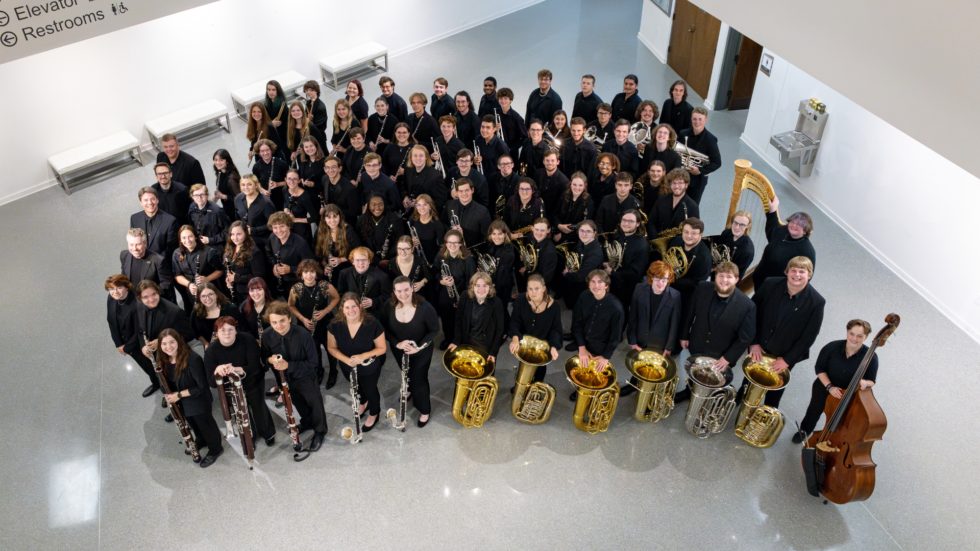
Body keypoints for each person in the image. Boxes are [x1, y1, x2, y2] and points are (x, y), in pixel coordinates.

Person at [740, 256, 825, 408]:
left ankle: (768, 411)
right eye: (793, 270)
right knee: (748, 381)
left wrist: (787, 360)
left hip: (785, 354)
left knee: (774, 393)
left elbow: (809, 336)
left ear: (809, 275)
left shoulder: (816, 302)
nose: (797, 274)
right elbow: (752, 312)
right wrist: (754, 343)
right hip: (759, 345)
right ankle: (741, 398)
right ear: (787, 271)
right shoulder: (770, 284)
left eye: (802, 271)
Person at [675, 262, 756, 403]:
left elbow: (745, 338)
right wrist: (684, 335)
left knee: (712, 382)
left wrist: (728, 358)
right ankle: (690, 392)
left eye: (729, 277)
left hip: (721, 354)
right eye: (721, 275)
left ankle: (708, 400)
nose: (724, 280)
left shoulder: (747, 305)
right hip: (697, 344)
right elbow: (689, 312)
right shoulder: (702, 287)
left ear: (736, 279)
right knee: (695, 371)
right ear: (715, 276)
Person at [795, 319, 878, 443]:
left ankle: (830, 440)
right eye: (851, 333)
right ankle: (804, 431)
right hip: (824, 387)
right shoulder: (831, 347)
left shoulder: (871, 357)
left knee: (840, 419)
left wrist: (866, 383)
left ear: (866, 337)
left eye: (860, 336)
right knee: (814, 411)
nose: (854, 338)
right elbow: (819, 368)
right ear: (847, 332)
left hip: (847, 394)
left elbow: (872, 380)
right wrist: (830, 387)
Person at [263, 300, 328, 451]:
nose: (279, 326)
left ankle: (319, 430)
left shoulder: (303, 334)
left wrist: (289, 366)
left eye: (282, 321)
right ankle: (306, 422)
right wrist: (270, 359)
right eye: (274, 322)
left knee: (314, 403)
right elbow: (264, 356)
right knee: (297, 402)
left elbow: (313, 362)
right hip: (284, 378)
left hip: (305, 377)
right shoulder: (267, 335)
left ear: (289, 319)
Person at [204, 316, 277, 447]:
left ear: (236, 330)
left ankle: (267, 432)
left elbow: (255, 367)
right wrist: (217, 372)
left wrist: (235, 369)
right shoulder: (211, 352)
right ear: (216, 333)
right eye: (223, 330)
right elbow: (212, 383)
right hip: (231, 388)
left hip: (253, 381)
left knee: (259, 406)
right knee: (242, 412)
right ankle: (250, 436)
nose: (227, 333)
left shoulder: (247, 339)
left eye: (230, 329)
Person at [157, 328, 224, 467]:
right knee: (193, 424)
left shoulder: (192, 359)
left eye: (171, 342)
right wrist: (167, 394)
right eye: (164, 344)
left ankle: (216, 449)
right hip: (181, 401)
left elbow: (201, 387)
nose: (168, 347)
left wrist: (178, 395)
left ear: (178, 342)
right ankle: (201, 439)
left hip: (197, 400)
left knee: (206, 425)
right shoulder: (163, 359)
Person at [380, 276, 441, 427]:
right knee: (405, 372)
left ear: (412, 287)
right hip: (400, 349)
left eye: (406, 289)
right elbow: (384, 328)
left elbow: (434, 330)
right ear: (394, 291)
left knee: (419, 379)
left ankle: (424, 410)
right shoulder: (389, 305)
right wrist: (397, 343)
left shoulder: (425, 307)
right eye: (399, 291)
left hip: (421, 350)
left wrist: (418, 347)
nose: (403, 294)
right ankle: (409, 389)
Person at [328, 292, 388, 433]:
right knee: (357, 388)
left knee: (370, 389)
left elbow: (382, 348)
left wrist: (363, 356)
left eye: (354, 306)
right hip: (347, 364)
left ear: (360, 306)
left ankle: (374, 413)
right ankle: (364, 402)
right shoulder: (335, 324)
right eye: (347, 307)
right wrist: (346, 360)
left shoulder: (373, 323)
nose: (351, 310)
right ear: (342, 309)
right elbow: (331, 347)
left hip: (369, 365)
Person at [622, 261, 682, 397]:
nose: (661, 282)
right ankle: (633, 383)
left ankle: (650, 392)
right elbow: (633, 317)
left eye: (664, 279)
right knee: (638, 363)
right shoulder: (639, 289)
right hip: (641, 337)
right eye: (657, 278)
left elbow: (674, 323)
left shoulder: (675, 296)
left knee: (653, 369)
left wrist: (669, 346)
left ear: (669, 279)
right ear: (651, 277)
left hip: (660, 342)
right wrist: (632, 340)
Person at [567, 270, 625, 400]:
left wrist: (605, 357)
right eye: (592, 281)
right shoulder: (584, 296)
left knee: (595, 373)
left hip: (601, 345)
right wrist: (581, 347)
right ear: (588, 284)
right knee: (582, 369)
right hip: (584, 342)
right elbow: (576, 324)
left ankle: (592, 392)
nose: (596, 285)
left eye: (600, 282)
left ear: (606, 285)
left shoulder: (616, 307)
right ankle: (581, 390)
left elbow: (615, 337)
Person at [106, 274, 159, 397]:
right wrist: (119, 344)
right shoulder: (111, 298)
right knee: (146, 367)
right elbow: (111, 321)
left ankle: (165, 388)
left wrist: (127, 348)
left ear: (127, 287)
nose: (115, 292)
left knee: (155, 366)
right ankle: (156, 383)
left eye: (119, 288)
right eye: (111, 289)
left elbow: (140, 331)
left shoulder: (137, 304)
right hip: (127, 345)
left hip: (139, 344)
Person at [135, 280, 195, 389]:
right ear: (140, 298)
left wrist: (162, 341)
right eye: (146, 297)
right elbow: (140, 329)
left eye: (154, 294)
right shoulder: (139, 307)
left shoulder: (174, 312)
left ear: (158, 292)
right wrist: (143, 345)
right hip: (157, 355)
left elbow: (190, 333)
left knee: (175, 378)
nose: (151, 299)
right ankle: (165, 389)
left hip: (174, 355)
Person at [289, 259, 340, 385]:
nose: (309, 275)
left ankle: (333, 371)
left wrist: (326, 310)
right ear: (301, 274)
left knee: (330, 348)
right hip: (307, 323)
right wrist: (302, 319)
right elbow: (291, 306)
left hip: (325, 323)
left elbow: (336, 297)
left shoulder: (324, 285)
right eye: (305, 272)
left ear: (317, 273)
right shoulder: (296, 289)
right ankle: (319, 369)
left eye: (312, 272)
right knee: (314, 348)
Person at [508, 274, 562, 386]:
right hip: (524, 343)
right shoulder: (521, 299)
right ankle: (521, 386)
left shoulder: (554, 307)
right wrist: (515, 337)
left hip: (542, 345)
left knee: (540, 371)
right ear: (527, 289)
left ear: (543, 288)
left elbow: (556, 329)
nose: (533, 292)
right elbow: (515, 321)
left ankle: (536, 386)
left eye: (537, 288)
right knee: (522, 368)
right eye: (530, 289)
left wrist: (554, 345)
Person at [753, 195, 817, 290]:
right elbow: (772, 230)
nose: (794, 225)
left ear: (805, 230)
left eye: (799, 224)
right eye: (793, 221)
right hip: (760, 277)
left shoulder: (807, 250)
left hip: (775, 288)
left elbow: (806, 275)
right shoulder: (784, 230)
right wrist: (773, 210)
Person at [604, 209, 650, 321]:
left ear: (638, 224)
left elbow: (635, 274)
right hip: (613, 280)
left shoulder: (642, 245)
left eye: (630, 221)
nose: (626, 223)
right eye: (624, 220)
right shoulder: (618, 235)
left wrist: (612, 272)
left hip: (626, 287)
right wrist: (608, 262)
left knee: (620, 311)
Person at [435, 229, 477, 349]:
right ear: (446, 243)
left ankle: (460, 341)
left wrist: (461, 300)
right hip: (445, 293)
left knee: (460, 319)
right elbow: (435, 272)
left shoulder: (468, 259)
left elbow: (471, 281)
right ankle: (448, 339)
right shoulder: (441, 255)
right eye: (449, 242)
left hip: (462, 293)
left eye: (455, 243)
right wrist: (441, 280)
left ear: (460, 244)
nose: (452, 245)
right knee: (446, 319)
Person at [450, 272, 506, 361]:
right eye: (477, 285)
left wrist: (493, 352)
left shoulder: (497, 302)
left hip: (485, 344)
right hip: (466, 340)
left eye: (485, 285)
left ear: (490, 287)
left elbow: (500, 329)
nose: (481, 289)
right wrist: (456, 341)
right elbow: (458, 320)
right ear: (472, 287)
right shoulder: (465, 296)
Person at [172, 225, 223, 314]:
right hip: (191, 293)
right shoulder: (176, 253)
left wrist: (207, 278)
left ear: (196, 236)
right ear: (180, 239)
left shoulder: (209, 252)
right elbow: (177, 275)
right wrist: (189, 284)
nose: (187, 240)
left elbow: (221, 270)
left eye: (190, 236)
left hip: (210, 291)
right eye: (183, 238)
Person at [676, 107, 721, 204]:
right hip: (681, 176)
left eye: (700, 119)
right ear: (691, 119)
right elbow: (678, 153)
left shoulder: (711, 140)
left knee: (691, 205)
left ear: (705, 120)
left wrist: (699, 171)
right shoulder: (683, 133)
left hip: (697, 182)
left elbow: (717, 162)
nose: (697, 122)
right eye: (694, 119)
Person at [664, 217, 712, 307]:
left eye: (693, 233)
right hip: (666, 288)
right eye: (686, 232)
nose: (688, 236)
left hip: (684, 298)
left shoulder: (704, 257)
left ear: (700, 235)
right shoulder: (676, 241)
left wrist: (669, 279)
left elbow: (696, 283)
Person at [268, 211, 315, 297]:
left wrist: (291, 269)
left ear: (289, 226)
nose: (278, 231)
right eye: (275, 227)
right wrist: (274, 264)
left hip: (299, 285)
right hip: (282, 284)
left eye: (282, 226)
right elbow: (269, 254)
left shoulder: (300, 244)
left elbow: (311, 266)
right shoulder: (272, 237)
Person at [121, 228, 174, 302]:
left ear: (145, 243)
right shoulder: (124, 255)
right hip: (132, 302)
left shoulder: (158, 260)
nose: (134, 248)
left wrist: (149, 296)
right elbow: (123, 277)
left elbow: (167, 284)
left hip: (151, 303)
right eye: (131, 244)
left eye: (138, 244)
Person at [560, 221, 604, 308]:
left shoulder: (595, 253)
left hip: (585, 286)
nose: (584, 234)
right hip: (579, 278)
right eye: (581, 230)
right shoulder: (582, 242)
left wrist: (567, 274)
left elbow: (581, 277)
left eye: (588, 231)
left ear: (594, 233)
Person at [337, 247, 393, 315]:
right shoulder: (344, 274)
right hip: (351, 314)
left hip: (373, 315)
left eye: (364, 260)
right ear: (353, 261)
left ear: (369, 261)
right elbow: (340, 295)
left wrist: (374, 302)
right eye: (357, 260)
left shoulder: (382, 276)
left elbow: (389, 298)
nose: (361, 263)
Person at [131, 186, 180, 264]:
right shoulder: (134, 218)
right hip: (140, 263)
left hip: (161, 265)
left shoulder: (170, 221)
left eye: (153, 199)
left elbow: (170, 250)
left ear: (157, 200)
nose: (150, 203)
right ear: (141, 202)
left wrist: (153, 263)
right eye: (146, 200)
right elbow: (133, 242)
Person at [315, 204, 360, 288]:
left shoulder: (348, 231)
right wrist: (325, 265)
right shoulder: (320, 230)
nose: (332, 220)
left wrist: (340, 260)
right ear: (324, 219)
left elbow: (358, 251)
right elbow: (318, 253)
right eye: (328, 217)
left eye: (335, 216)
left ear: (340, 216)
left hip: (346, 264)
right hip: (328, 265)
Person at [647, 168, 700, 237]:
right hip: (657, 241)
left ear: (686, 185)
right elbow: (651, 222)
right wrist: (656, 240)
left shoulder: (693, 206)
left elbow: (693, 231)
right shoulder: (661, 199)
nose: (676, 186)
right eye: (673, 183)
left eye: (680, 183)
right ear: (670, 184)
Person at [356, 195, 404, 270]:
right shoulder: (362, 220)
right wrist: (376, 261)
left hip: (391, 260)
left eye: (380, 204)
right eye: (373, 204)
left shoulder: (394, 219)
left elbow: (399, 241)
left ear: (384, 204)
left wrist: (386, 260)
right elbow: (360, 243)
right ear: (368, 206)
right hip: (369, 261)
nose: (377, 208)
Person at [482, 220, 516, 324]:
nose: (497, 237)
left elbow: (501, 275)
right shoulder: (491, 245)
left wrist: (490, 288)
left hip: (502, 286)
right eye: (494, 234)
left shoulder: (508, 252)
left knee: (501, 309)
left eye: (500, 234)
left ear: (505, 234)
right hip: (494, 282)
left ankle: (505, 330)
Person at [223, 221, 266, 303]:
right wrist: (228, 279)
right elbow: (229, 270)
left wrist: (236, 278)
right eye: (232, 234)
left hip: (249, 294)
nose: (235, 238)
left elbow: (259, 278)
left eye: (239, 234)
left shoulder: (254, 252)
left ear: (246, 234)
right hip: (235, 293)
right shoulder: (230, 249)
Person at [442, 178, 491, 248]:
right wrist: (451, 231)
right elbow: (443, 223)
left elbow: (486, 237)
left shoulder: (482, 211)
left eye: (467, 190)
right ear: (456, 192)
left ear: (472, 190)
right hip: (452, 248)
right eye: (460, 191)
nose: (464, 194)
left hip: (471, 251)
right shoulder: (449, 205)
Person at [234, 174, 276, 255]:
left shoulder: (266, 203)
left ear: (256, 185)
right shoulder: (238, 199)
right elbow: (237, 217)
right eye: (243, 184)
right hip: (245, 240)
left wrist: (253, 230)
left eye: (249, 184)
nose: (245, 187)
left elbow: (273, 225)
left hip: (262, 242)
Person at [190, 282, 242, 347]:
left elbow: (241, 328)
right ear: (199, 298)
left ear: (216, 294)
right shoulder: (196, 312)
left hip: (232, 344)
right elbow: (195, 331)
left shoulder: (231, 309)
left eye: (210, 294)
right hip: (211, 346)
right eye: (203, 296)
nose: (207, 298)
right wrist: (206, 343)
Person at [706, 210, 754, 279]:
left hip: (728, 281)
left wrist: (717, 270)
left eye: (742, 225)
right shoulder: (726, 233)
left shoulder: (747, 250)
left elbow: (737, 275)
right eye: (735, 223)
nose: (737, 227)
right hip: (715, 274)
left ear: (748, 225)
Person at [550, 171, 594, 245]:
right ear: (570, 184)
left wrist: (563, 235)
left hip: (575, 239)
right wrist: (559, 225)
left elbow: (584, 226)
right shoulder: (564, 195)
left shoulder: (589, 202)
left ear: (585, 186)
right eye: (574, 184)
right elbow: (555, 214)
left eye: (580, 185)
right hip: (558, 232)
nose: (577, 188)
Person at [515, 218, 558, 292]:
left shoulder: (549, 252)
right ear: (532, 228)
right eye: (536, 229)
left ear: (548, 230)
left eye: (542, 230)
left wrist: (525, 272)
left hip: (539, 287)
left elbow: (545, 277)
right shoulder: (533, 239)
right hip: (530, 278)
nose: (538, 233)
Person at [388, 235, 433, 301]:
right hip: (399, 298)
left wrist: (421, 283)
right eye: (399, 248)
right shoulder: (391, 263)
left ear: (412, 249)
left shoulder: (419, 261)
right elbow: (389, 282)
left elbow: (429, 276)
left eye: (406, 249)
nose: (403, 252)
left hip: (417, 297)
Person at [403, 145, 445, 212]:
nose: (418, 158)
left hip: (427, 214)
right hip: (410, 212)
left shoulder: (435, 176)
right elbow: (404, 185)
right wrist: (405, 196)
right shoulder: (408, 170)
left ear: (426, 157)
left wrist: (419, 205)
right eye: (415, 155)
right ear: (411, 157)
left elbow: (441, 201)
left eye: (421, 155)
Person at [321, 156, 361, 227]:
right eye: (327, 167)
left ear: (340, 168)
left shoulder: (350, 189)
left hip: (345, 225)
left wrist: (333, 213)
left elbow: (354, 212)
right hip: (330, 223)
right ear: (324, 169)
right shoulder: (325, 180)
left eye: (333, 167)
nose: (330, 170)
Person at [151, 162, 191, 227]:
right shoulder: (153, 190)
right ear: (156, 176)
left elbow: (191, 210)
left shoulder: (182, 190)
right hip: (163, 227)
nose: (163, 176)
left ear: (171, 174)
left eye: (166, 173)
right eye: (159, 174)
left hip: (181, 227)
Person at [252, 139, 289, 210]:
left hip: (282, 197)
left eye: (267, 150)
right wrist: (262, 190)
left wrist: (277, 184)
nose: (265, 153)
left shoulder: (282, 164)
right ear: (259, 153)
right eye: (262, 151)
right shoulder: (256, 166)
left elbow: (291, 181)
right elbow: (255, 183)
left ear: (271, 150)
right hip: (267, 198)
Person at [407, 194, 444, 265]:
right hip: (415, 258)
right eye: (418, 205)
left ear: (430, 206)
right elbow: (407, 238)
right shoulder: (412, 220)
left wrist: (436, 263)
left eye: (425, 205)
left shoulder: (437, 223)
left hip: (431, 260)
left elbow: (442, 246)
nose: (421, 208)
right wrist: (411, 242)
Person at [534, 149, 569, 214]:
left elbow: (561, 206)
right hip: (536, 212)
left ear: (558, 162)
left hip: (551, 216)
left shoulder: (564, 182)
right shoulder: (538, 173)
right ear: (543, 161)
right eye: (547, 160)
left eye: (552, 160)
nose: (550, 163)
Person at [211, 149, 241, 222]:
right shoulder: (220, 174)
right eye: (216, 160)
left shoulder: (231, 178)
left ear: (227, 161)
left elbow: (240, 198)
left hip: (236, 211)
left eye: (221, 160)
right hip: (227, 209)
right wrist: (217, 196)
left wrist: (223, 196)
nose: (218, 162)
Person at [297, 137, 326, 211]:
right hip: (307, 195)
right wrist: (301, 179)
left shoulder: (324, 161)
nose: (309, 149)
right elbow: (300, 174)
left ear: (316, 146)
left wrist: (314, 184)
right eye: (306, 147)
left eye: (311, 146)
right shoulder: (303, 161)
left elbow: (327, 182)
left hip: (320, 196)